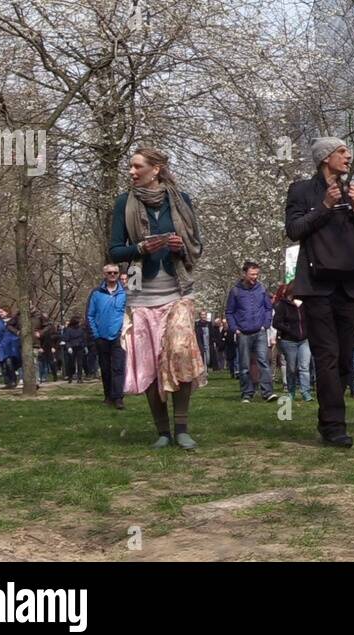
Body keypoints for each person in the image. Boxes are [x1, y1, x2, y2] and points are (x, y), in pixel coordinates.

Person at [110, 146, 206, 449]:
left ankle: (182, 428)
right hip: (141, 294)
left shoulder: (181, 201)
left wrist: (179, 246)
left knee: (179, 353)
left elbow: (197, 246)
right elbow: (114, 250)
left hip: (177, 292)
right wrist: (140, 248)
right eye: (131, 167)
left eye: (137, 166)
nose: (132, 172)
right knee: (150, 363)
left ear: (156, 169)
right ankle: (162, 431)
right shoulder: (124, 203)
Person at [285, 137, 354, 448]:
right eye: (341, 152)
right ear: (325, 158)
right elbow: (294, 230)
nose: (348, 156)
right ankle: (336, 425)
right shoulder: (302, 190)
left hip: (349, 286)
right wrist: (324, 207)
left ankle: (328, 420)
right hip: (317, 286)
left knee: (346, 359)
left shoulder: (351, 191)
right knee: (327, 357)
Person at [225, 261, 276, 403]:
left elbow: (268, 308)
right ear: (244, 274)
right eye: (252, 274)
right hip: (243, 333)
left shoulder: (261, 289)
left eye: (257, 274)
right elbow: (229, 312)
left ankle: (267, 393)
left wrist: (265, 324)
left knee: (264, 362)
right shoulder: (235, 291)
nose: (255, 277)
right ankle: (247, 393)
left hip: (259, 332)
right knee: (244, 365)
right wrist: (235, 329)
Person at [87, 263, 128, 409]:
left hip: (118, 336)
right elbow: (90, 315)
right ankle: (108, 396)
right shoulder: (96, 293)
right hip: (101, 337)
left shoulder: (124, 293)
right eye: (109, 273)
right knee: (105, 367)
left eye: (115, 273)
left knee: (118, 367)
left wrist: (124, 331)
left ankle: (118, 398)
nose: (112, 275)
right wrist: (96, 335)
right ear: (104, 275)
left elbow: (129, 314)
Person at [272, 282, 313, 402]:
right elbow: (276, 322)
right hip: (289, 341)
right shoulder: (282, 305)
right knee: (291, 368)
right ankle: (291, 391)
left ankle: (306, 392)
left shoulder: (305, 305)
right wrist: (289, 329)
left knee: (304, 367)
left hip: (304, 340)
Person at [0, 307, 20, 389]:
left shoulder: (14, 321)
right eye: (0, 312)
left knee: (9, 363)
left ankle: (13, 380)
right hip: (2, 346)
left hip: (12, 345)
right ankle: (8, 382)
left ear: (7, 312)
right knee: (4, 365)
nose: (1, 313)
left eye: (2, 311)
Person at [60, 316, 87, 383]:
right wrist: (68, 347)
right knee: (71, 363)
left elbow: (83, 338)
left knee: (80, 363)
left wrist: (84, 346)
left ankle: (79, 377)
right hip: (72, 347)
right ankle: (70, 376)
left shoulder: (81, 330)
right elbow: (66, 339)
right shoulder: (69, 330)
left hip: (79, 347)